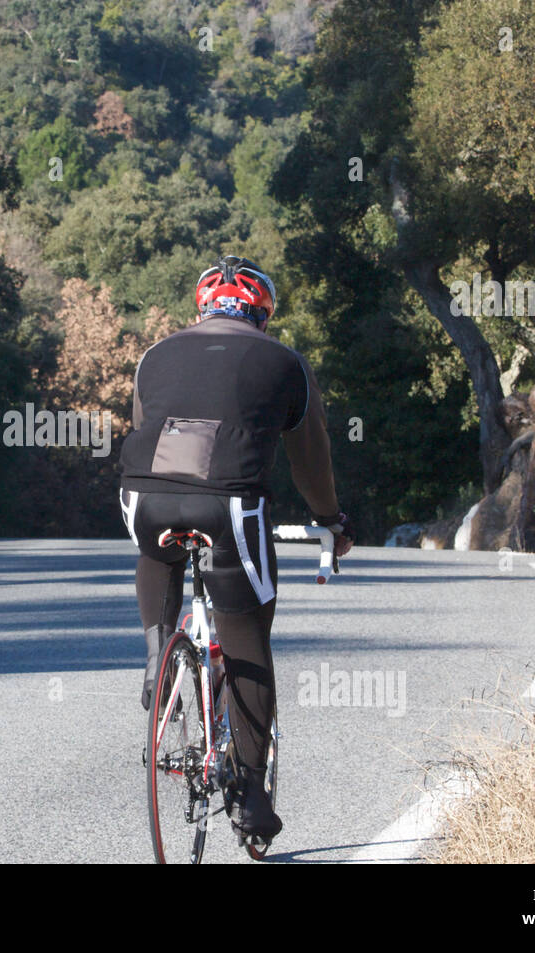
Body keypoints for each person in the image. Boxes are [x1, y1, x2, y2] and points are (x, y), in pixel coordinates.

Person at [119, 254, 354, 839]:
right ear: (263, 315)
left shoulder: (154, 356)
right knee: (247, 640)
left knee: (160, 548)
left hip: (141, 499)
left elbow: (149, 434)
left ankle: (158, 657)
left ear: (200, 310)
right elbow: (311, 463)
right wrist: (330, 520)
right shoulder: (286, 365)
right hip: (229, 504)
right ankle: (249, 792)